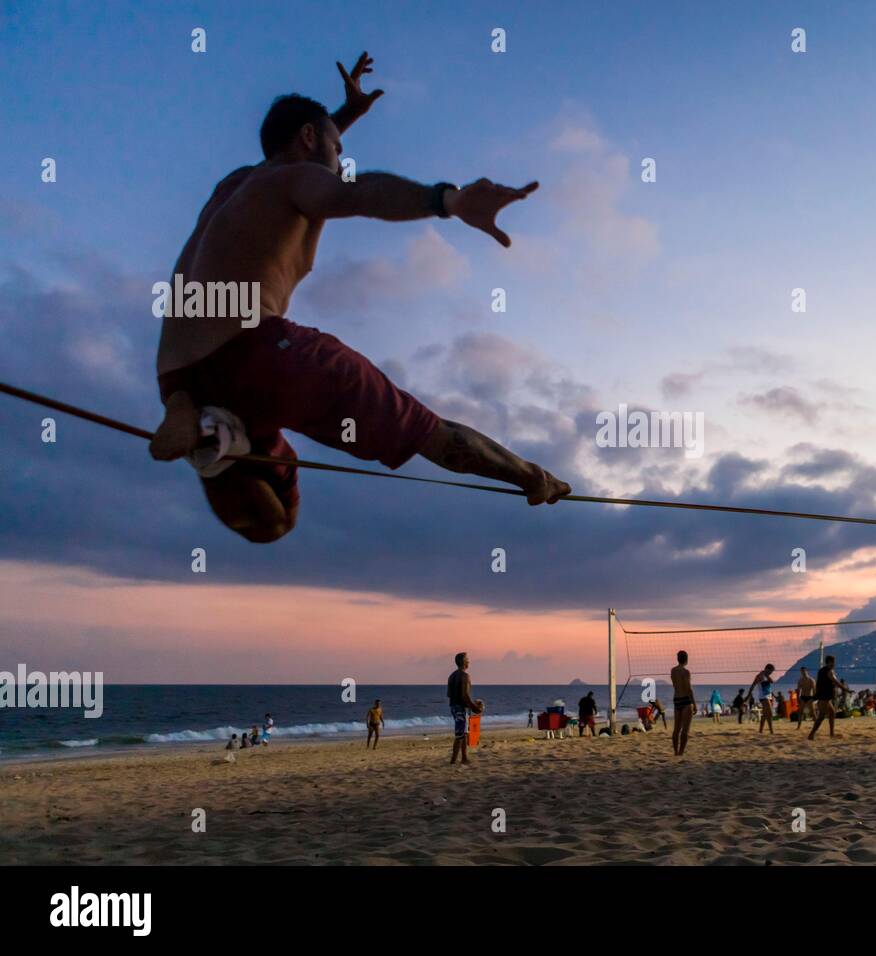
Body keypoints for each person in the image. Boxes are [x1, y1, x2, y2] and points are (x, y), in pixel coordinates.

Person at [147, 53, 570, 543]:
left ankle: (209, 428)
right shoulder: (298, 179)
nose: (342, 160)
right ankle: (533, 476)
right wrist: (447, 201)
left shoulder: (233, 185)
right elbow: (356, 192)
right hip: (256, 354)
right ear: (308, 140)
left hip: (177, 375)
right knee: (426, 432)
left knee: (270, 520)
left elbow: (297, 146)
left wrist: (341, 118)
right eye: (338, 147)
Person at [448, 651, 483, 765]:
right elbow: (465, 696)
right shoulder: (465, 676)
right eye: (468, 659)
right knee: (459, 735)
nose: (469, 661)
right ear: (463, 662)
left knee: (464, 733)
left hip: (453, 707)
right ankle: (453, 761)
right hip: (460, 708)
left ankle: (464, 758)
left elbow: (449, 694)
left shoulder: (451, 676)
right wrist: (475, 708)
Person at [807, 655, 851, 740]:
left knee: (832, 712)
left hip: (824, 695)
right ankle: (811, 734)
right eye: (833, 662)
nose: (834, 664)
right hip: (824, 696)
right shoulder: (829, 671)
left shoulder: (821, 670)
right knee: (821, 716)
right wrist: (846, 689)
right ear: (829, 662)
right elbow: (836, 682)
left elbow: (821, 683)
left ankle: (832, 734)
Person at [670, 651, 695, 756]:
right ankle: (680, 752)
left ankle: (675, 752)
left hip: (676, 700)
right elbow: (689, 689)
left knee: (676, 729)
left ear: (678, 659)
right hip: (685, 700)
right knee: (685, 729)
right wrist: (694, 703)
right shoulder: (686, 672)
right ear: (686, 659)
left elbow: (675, 685)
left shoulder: (673, 671)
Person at [747, 663, 778, 735]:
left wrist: (774, 696)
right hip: (763, 696)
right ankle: (771, 731)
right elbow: (753, 685)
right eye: (771, 671)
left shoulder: (767, 676)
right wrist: (748, 695)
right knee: (770, 713)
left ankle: (760, 730)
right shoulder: (759, 676)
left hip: (769, 696)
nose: (771, 673)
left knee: (765, 714)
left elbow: (771, 682)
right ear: (767, 669)